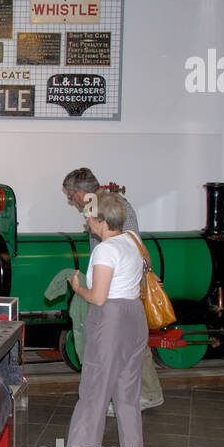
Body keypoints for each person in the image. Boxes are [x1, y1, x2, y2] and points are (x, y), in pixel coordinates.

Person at [52, 192, 149, 447]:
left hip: (111, 320)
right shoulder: (134, 242)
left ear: (101, 220)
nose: (86, 222)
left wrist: (77, 287)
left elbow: (98, 296)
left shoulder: (106, 251)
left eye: (89, 217)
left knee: (94, 389)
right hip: (135, 317)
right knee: (127, 398)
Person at [61, 167, 164, 411]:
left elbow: (133, 241)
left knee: (127, 343)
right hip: (112, 281)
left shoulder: (116, 206)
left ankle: (147, 393)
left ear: (82, 192)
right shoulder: (98, 207)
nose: (72, 200)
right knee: (120, 344)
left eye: (71, 194)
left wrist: (145, 272)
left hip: (120, 285)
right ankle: (124, 396)